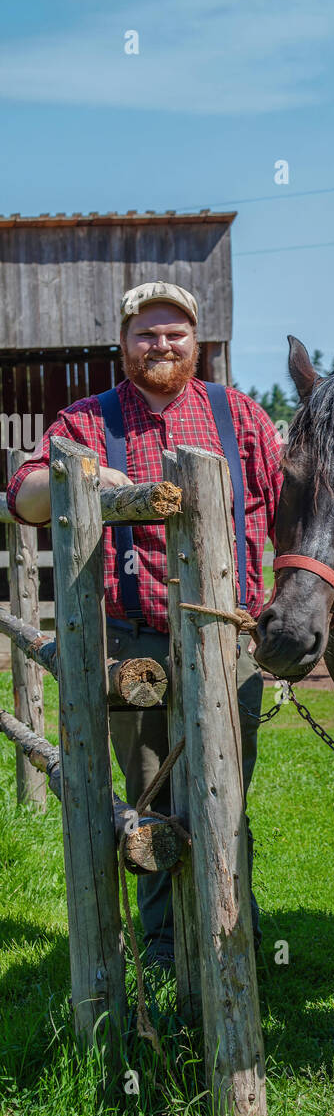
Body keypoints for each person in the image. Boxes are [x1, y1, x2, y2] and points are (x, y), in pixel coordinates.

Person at [7, 280, 285, 967]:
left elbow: (287, 510)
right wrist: (81, 475)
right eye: (146, 334)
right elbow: (24, 498)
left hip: (230, 637)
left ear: (195, 340)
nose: (161, 345)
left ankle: (231, 932)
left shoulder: (241, 416)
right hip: (135, 641)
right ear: (124, 343)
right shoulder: (86, 422)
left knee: (225, 788)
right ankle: (164, 948)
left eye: (174, 332)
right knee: (153, 789)